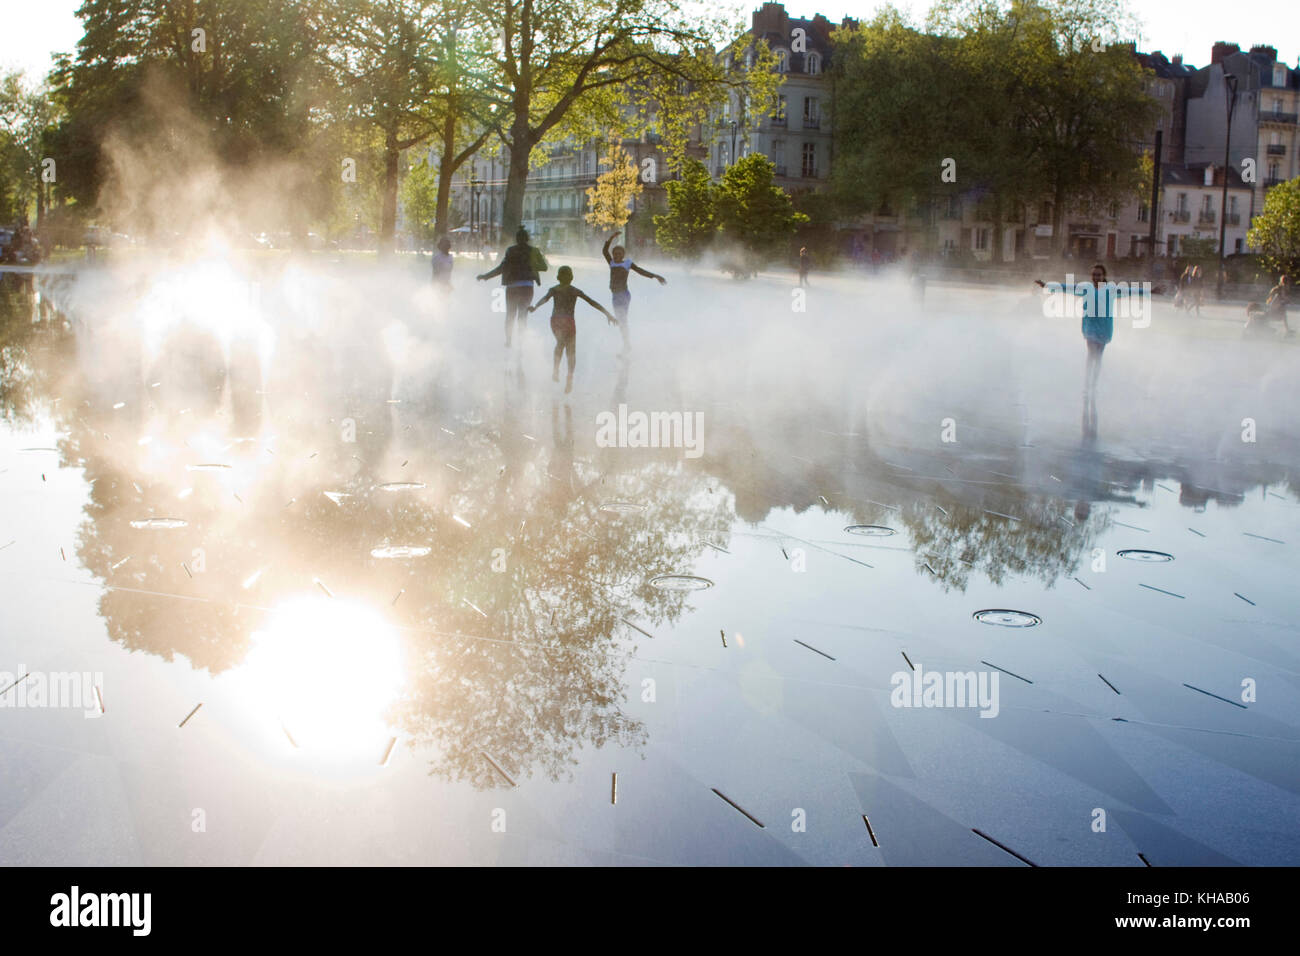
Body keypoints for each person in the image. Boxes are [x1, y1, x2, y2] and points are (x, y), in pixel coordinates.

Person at [1035, 263, 1155, 439]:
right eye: (1094, 275)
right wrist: (1047, 285)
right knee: (1091, 354)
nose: (1096, 278)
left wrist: (1150, 291)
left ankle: (1093, 384)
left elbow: (1130, 291)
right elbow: (1067, 288)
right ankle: (1088, 384)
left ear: (1104, 275)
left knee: (1098, 356)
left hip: (1105, 328)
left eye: (1098, 275)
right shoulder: (1086, 288)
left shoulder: (1111, 290)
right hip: (1090, 326)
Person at [529, 265, 615, 394]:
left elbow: (544, 299)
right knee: (571, 350)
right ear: (572, 278)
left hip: (556, 320)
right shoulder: (574, 290)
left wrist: (535, 307)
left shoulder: (554, 289)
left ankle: (556, 369)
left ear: (558, 277)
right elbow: (592, 302)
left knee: (560, 343)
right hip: (568, 321)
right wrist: (607, 313)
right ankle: (569, 377)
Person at [602, 231, 665, 357]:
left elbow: (641, 271)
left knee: (622, 320)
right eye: (615, 254)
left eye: (619, 254)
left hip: (624, 295)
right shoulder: (612, 263)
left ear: (623, 255)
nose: (616, 256)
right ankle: (626, 344)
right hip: (615, 296)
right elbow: (604, 251)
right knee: (621, 321)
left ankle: (626, 346)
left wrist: (655, 276)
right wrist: (612, 238)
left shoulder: (627, 263)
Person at [477, 227, 541, 347]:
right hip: (527, 287)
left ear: (516, 239)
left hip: (513, 287)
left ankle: (509, 341)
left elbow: (502, 268)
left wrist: (486, 276)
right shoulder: (533, 251)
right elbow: (542, 266)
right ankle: (521, 342)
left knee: (510, 315)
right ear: (527, 238)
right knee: (523, 315)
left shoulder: (511, 251)